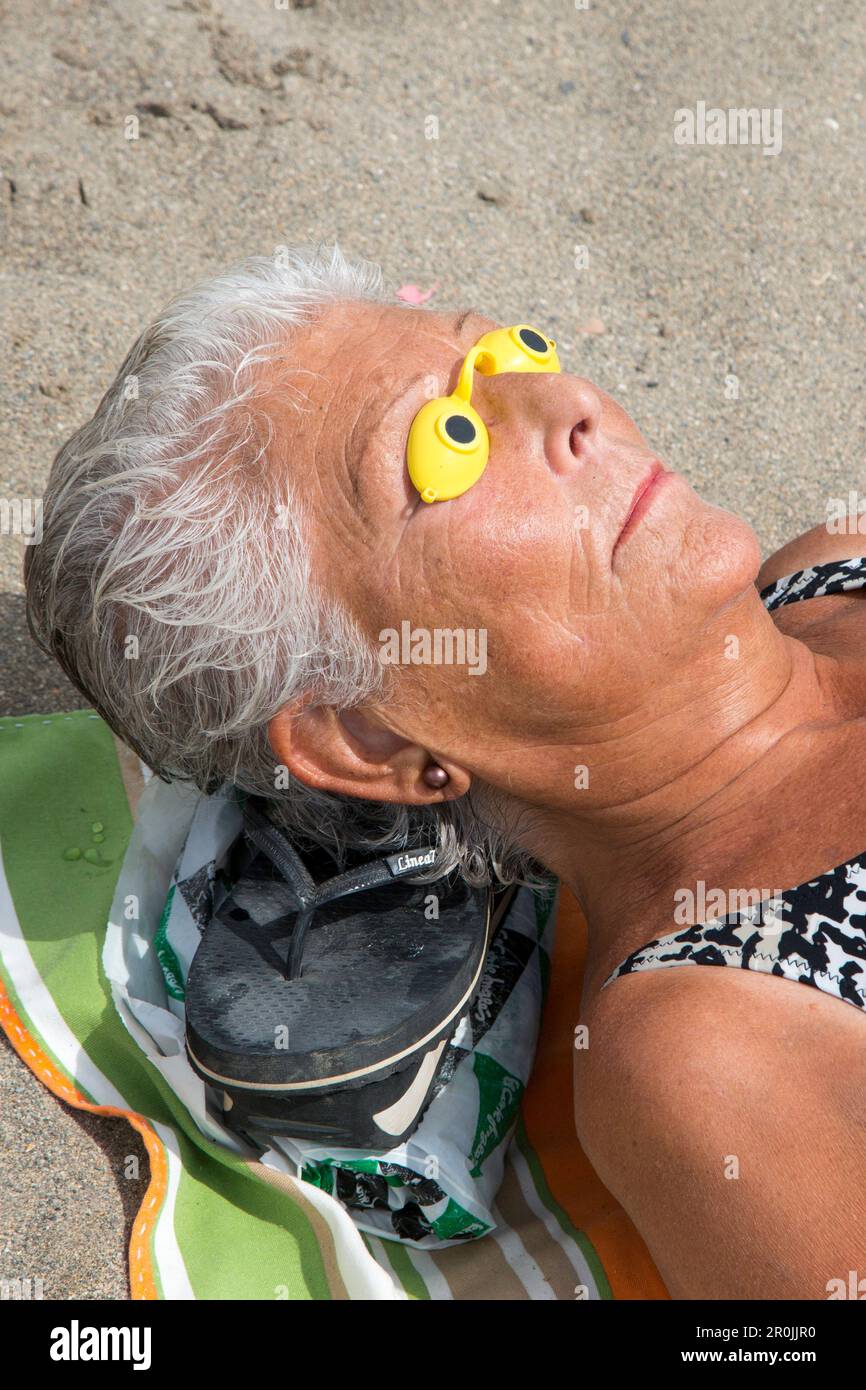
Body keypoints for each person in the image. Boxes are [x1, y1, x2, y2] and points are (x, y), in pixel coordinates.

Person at [24, 243, 866, 1298]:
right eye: (450, 442)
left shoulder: (828, 564)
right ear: (368, 740)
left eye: (510, 353)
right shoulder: (711, 1049)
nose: (568, 401)